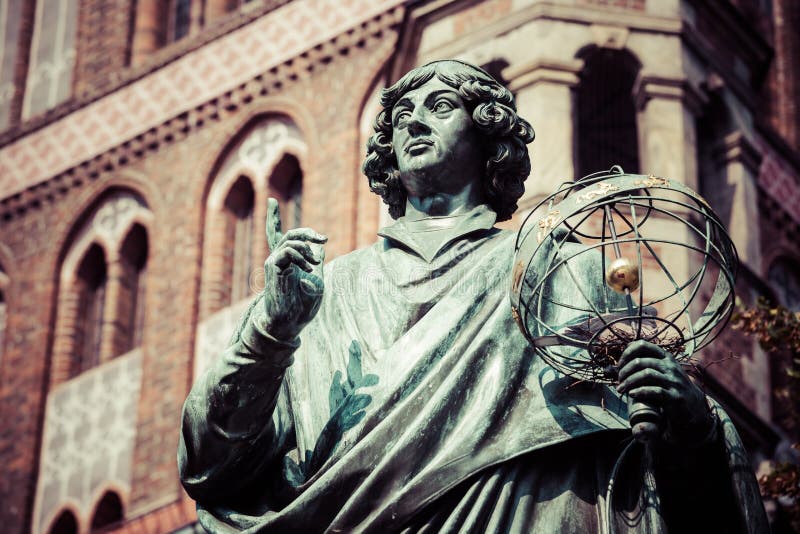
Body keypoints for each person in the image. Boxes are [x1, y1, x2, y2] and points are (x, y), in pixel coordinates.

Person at [179, 60, 768, 533]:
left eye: (439, 107)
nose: (412, 123)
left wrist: (691, 425)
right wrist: (271, 332)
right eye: (401, 114)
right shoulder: (319, 291)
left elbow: (640, 461)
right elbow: (210, 469)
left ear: (489, 136)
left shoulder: (557, 271)